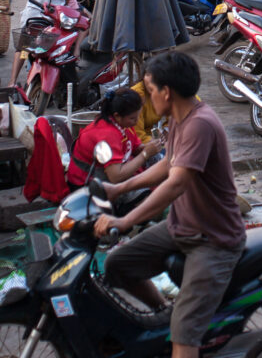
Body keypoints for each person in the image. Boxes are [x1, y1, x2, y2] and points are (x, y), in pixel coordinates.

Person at [99, 53, 247, 358]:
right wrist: (119, 188)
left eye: (151, 90)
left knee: (184, 333)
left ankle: (177, 329)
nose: (148, 97)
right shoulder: (179, 119)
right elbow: (168, 163)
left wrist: (125, 222)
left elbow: (176, 182)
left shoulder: (200, 124)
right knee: (117, 266)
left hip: (212, 238)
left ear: (166, 92)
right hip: (182, 224)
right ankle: (163, 315)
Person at [66, 87, 159, 188]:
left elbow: (134, 147)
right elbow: (116, 177)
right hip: (86, 184)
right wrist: (145, 154)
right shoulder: (107, 135)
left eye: (138, 117)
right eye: (133, 118)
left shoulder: (123, 124)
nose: (136, 122)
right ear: (117, 115)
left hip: (109, 173)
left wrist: (147, 148)